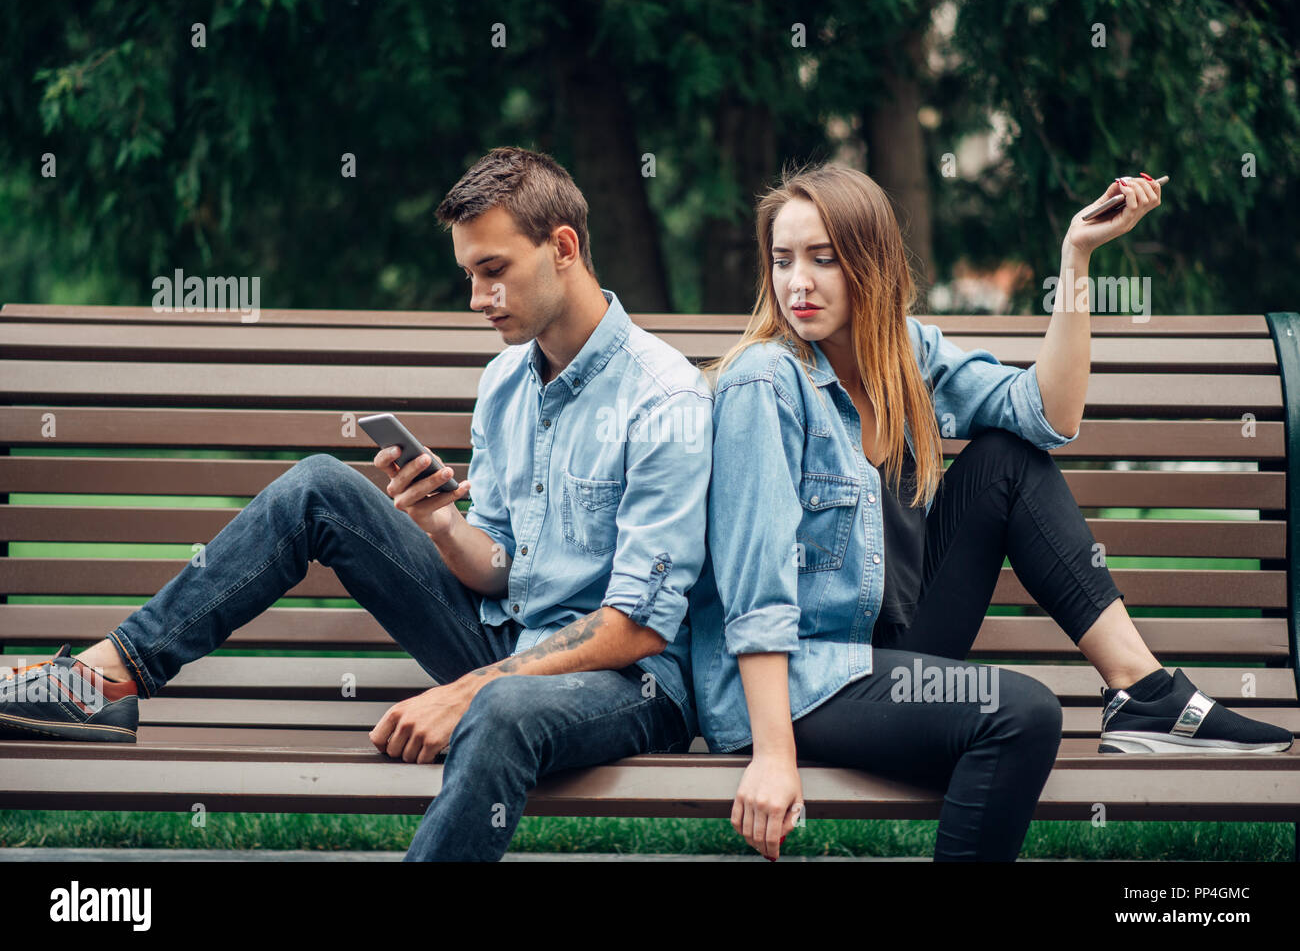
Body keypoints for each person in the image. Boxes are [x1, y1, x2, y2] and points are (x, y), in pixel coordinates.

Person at [0, 146, 713, 861]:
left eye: (493, 271)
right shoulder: (504, 382)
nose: (475, 298)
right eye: (468, 275)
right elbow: (499, 567)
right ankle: (103, 676)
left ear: (563, 247)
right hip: (507, 641)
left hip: (627, 683)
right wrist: (440, 523)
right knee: (319, 486)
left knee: (497, 709)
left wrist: (467, 688)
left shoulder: (663, 395)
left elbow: (638, 626)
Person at [686, 161, 1293, 862]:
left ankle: (1143, 690)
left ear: (871, 264)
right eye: (783, 259)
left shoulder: (904, 353)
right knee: (1025, 714)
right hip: (801, 681)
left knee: (1008, 457)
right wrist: (772, 753)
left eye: (824, 259)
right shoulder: (766, 381)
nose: (799, 282)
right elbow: (753, 586)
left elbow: (1047, 413)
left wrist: (1075, 257)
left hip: (885, 658)